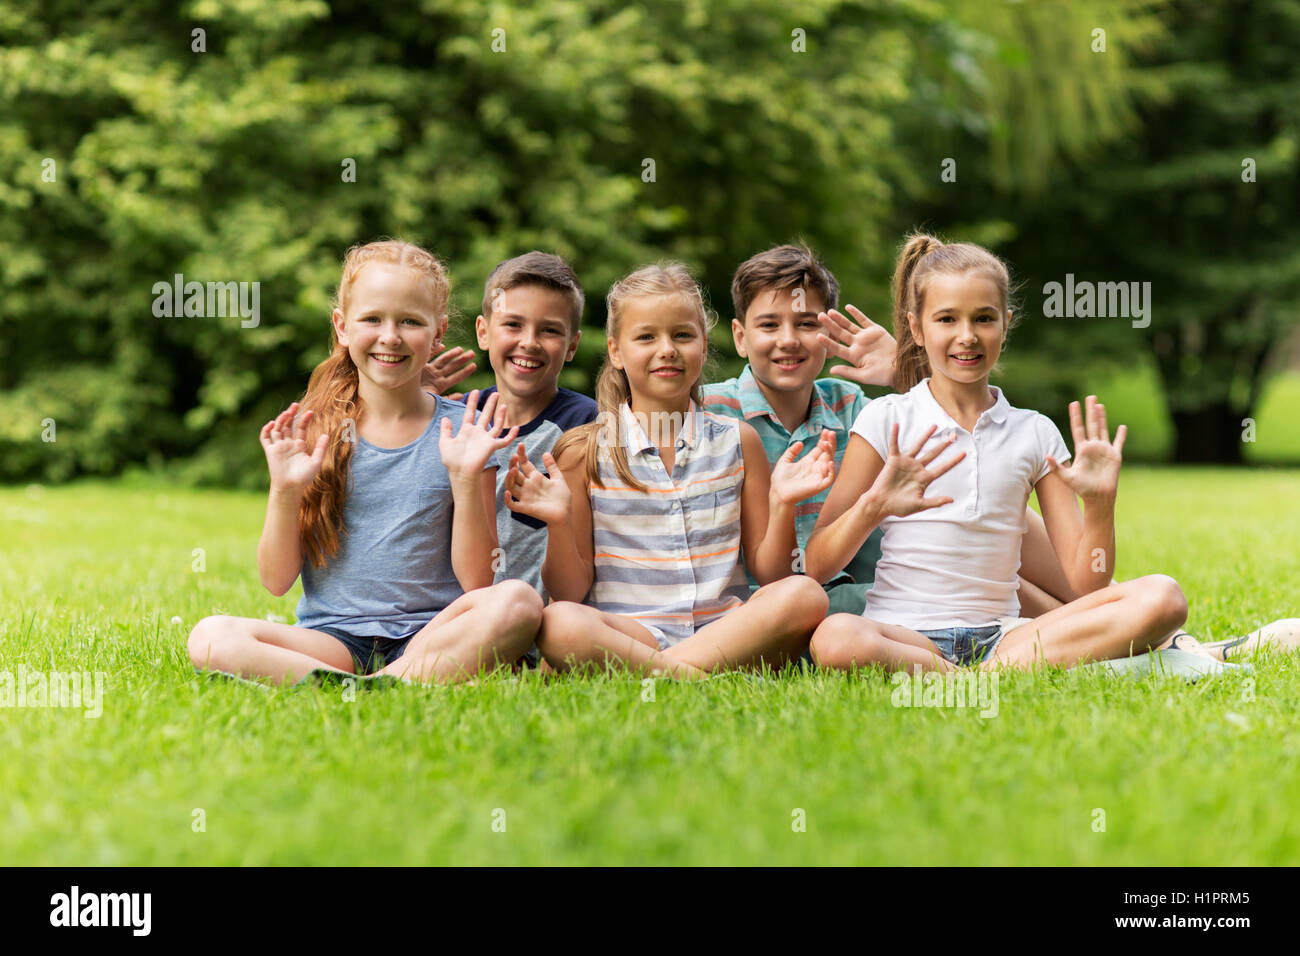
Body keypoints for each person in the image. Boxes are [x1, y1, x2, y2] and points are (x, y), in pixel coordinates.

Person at [805, 234, 1188, 671]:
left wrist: (1100, 505)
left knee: (1163, 596)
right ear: (916, 328)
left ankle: (980, 674)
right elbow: (816, 565)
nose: (967, 336)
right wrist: (873, 506)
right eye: (946, 319)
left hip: (1005, 635)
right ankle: (984, 677)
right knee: (836, 638)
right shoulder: (886, 419)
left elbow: (1088, 583)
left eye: (983, 319)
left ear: (1006, 324)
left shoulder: (1035, 433)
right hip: (903, 632)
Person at [187, 239, 542, 684]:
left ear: (437, 333)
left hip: (432, 633)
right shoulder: (317, 431)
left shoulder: (464, 434)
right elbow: (276, 580)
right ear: (342, 326)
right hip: (333, 640)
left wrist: (467, 478)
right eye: (372, 319)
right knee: (210, 636)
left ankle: (382, 682)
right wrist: (284, 491)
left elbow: (478, 583)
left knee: (518, 602)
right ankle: (400, 684)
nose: (390, 336)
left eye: (410, 321)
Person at [701, 242, 1077, 619]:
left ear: (829, 333)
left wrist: (905, 366)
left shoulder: (848, 405)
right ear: (740, 337)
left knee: (988, 499)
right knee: (964, 578)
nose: (788, 339)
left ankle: (1098, 603)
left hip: (858, 586)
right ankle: (1089, 620)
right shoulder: (710, 410)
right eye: (769, 325)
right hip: (796, 603)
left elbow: (940, 423)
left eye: (806, 323)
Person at [503, 262, 834, 677]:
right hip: (631, 632)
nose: (667, 349)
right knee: (559, 621)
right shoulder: (582, 451)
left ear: (703, 346)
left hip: (723, 629)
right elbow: (570, 590)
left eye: (682, 335)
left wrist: (782, 504)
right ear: (616, 352)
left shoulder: (738, 440)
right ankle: (693, 676)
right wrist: (557, 522)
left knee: (805, 594)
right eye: (646, 337)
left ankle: (661, 673)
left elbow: (772, 573)